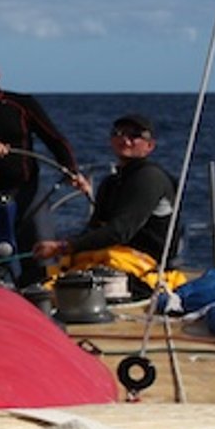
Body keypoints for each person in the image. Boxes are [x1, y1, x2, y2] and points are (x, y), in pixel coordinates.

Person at [0, 48, 88, 285]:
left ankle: (40, 305)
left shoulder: (22, 104)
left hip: (27, 192)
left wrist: (72, 172)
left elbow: (55, 140)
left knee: (39, 257)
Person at [34, 112, 179, 293]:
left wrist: (63, 247)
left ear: (150, 146)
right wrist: (66, 247)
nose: (125, 139)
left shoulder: (150, 178)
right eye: (119, 133)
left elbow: (120, 231)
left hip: (144, 266)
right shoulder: (110, 183)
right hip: (110, 257)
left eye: (135, 136)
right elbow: (95, 228)